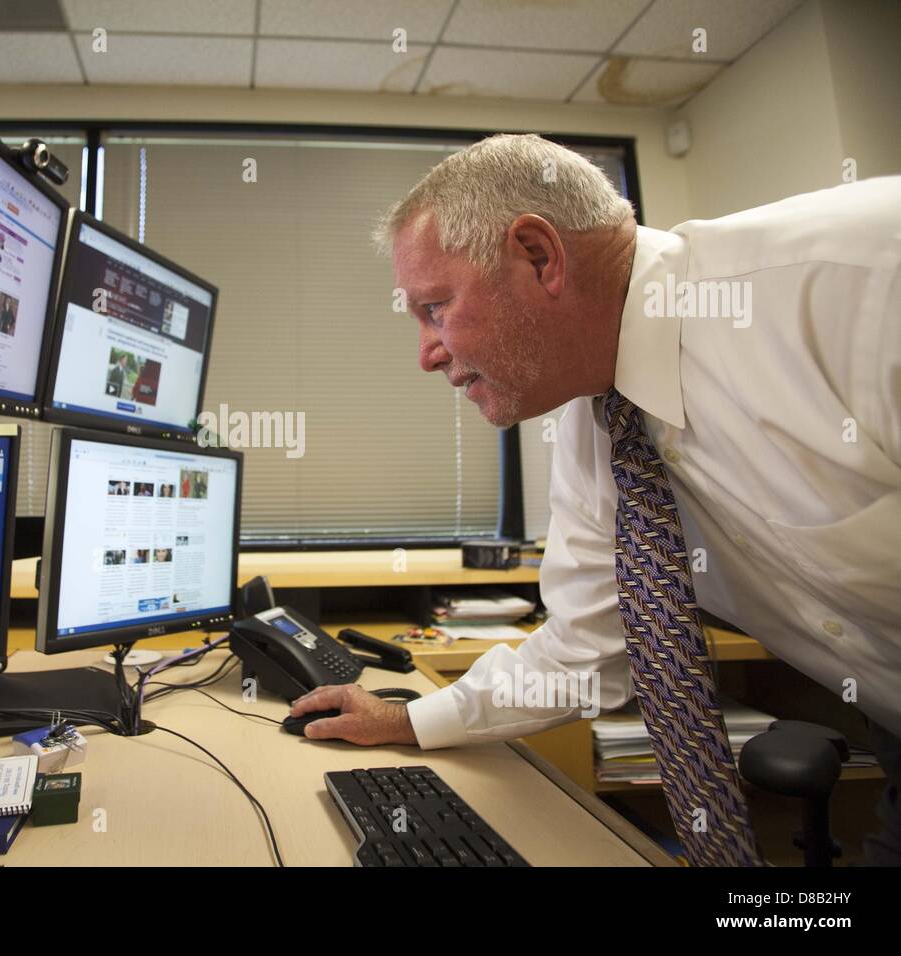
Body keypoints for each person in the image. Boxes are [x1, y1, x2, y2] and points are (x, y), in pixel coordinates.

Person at [289, 133, 901, 866]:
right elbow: (584, 651)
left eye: (434, 308)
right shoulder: (598, 421)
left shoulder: (859, 278)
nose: (426, 352)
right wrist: (407, 718)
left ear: (539, 257)